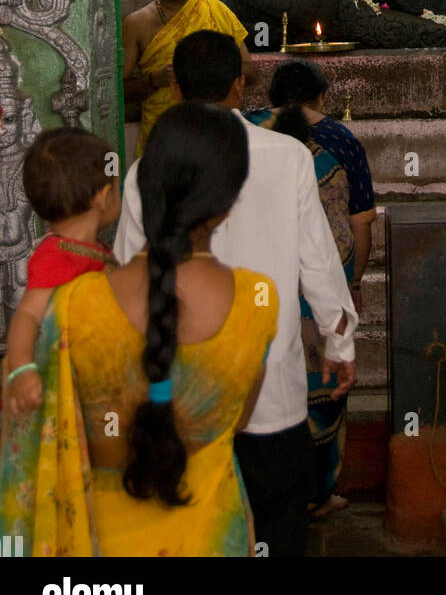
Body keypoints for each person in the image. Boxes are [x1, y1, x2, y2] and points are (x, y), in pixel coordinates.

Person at [0, 104, 278, 557]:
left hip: (97, 542)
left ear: (141, 187)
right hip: (209, 533)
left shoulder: (73, 304)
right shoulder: (259, 300)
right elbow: (238, 420)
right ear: (226, 204)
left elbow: (33, 428)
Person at [114, 30, 357, 557]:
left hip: (179, 402)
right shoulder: (288, 155)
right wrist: (340, 344)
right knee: (275, 528)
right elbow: (319, 261)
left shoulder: (144, 172)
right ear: (239, 86)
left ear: (175, 89)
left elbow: (127, 284)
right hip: (272, 395)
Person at [249, 59, 376, 517]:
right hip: (321, 283)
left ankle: (260, 500)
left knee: (263, 383)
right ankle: (317, 494)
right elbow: (359, 225)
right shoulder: (342, 141)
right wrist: (353, 282)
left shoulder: (247, 129)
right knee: (325, 386)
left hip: (259, 278)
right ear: (321, 97)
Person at [4, 128, 119, 417]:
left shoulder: (94, 250)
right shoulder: (56, 255)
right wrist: (22, 369)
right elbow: (28, 314)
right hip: (70, 389)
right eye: (117, 186)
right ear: (104, 197)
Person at [122, 0, 258, 156]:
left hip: (218, 136)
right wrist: (154, 80)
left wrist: (209, 69)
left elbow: (250, 72)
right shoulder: (136, 24)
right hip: (165, 140)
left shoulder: (214, 8)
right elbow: (117, 92)